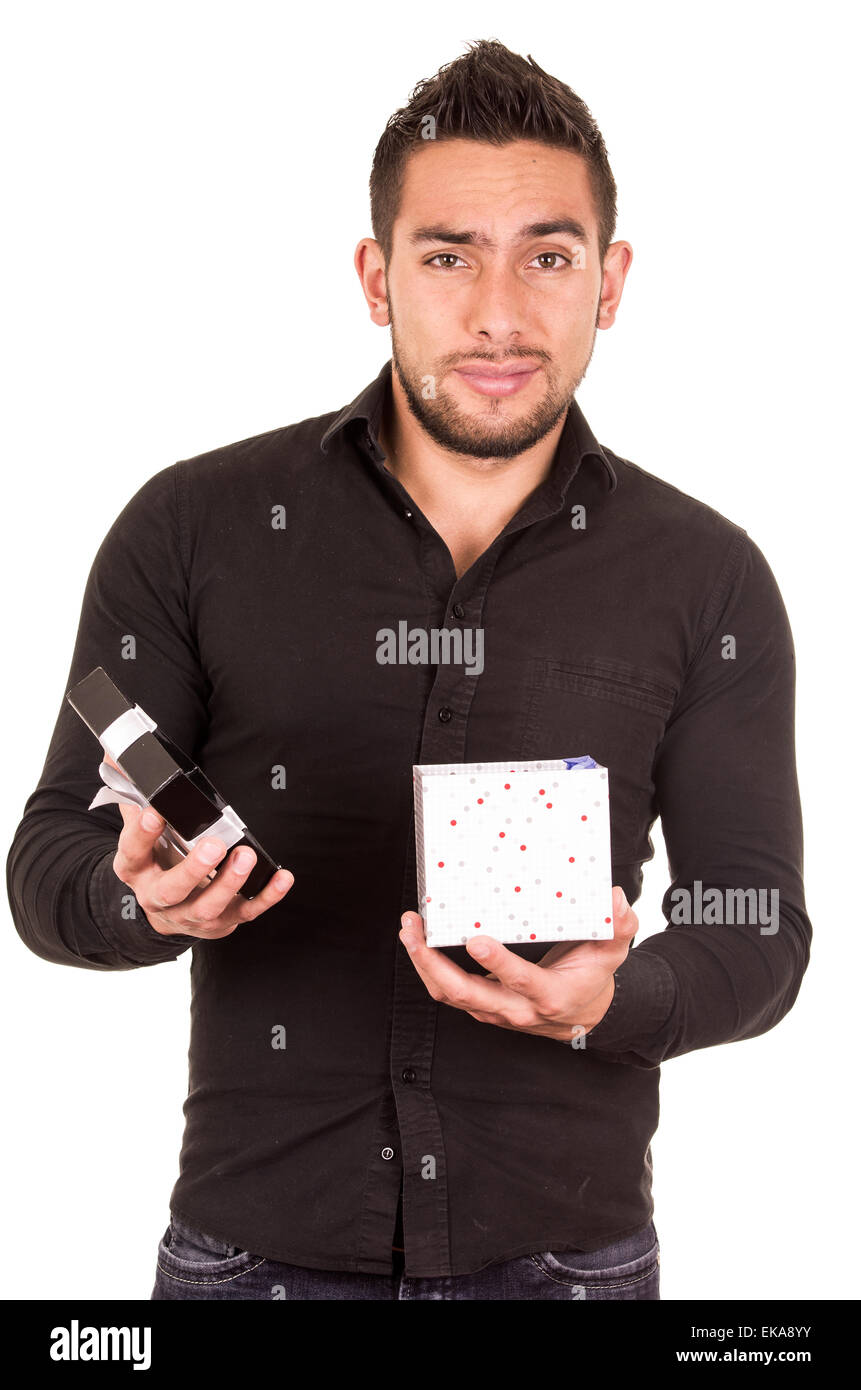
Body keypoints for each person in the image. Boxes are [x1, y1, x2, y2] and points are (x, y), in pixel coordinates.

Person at [6, 39, 811, 1301]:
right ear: (378, 277)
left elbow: (757, 925)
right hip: (249, 1261)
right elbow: (50, 855)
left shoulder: (708, 579)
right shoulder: (192, 526)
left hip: (571, 1266)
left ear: (612, 280)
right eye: (449, 256)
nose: (499, 311)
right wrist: (136, 902)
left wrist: (614, 994)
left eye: (548, 255)